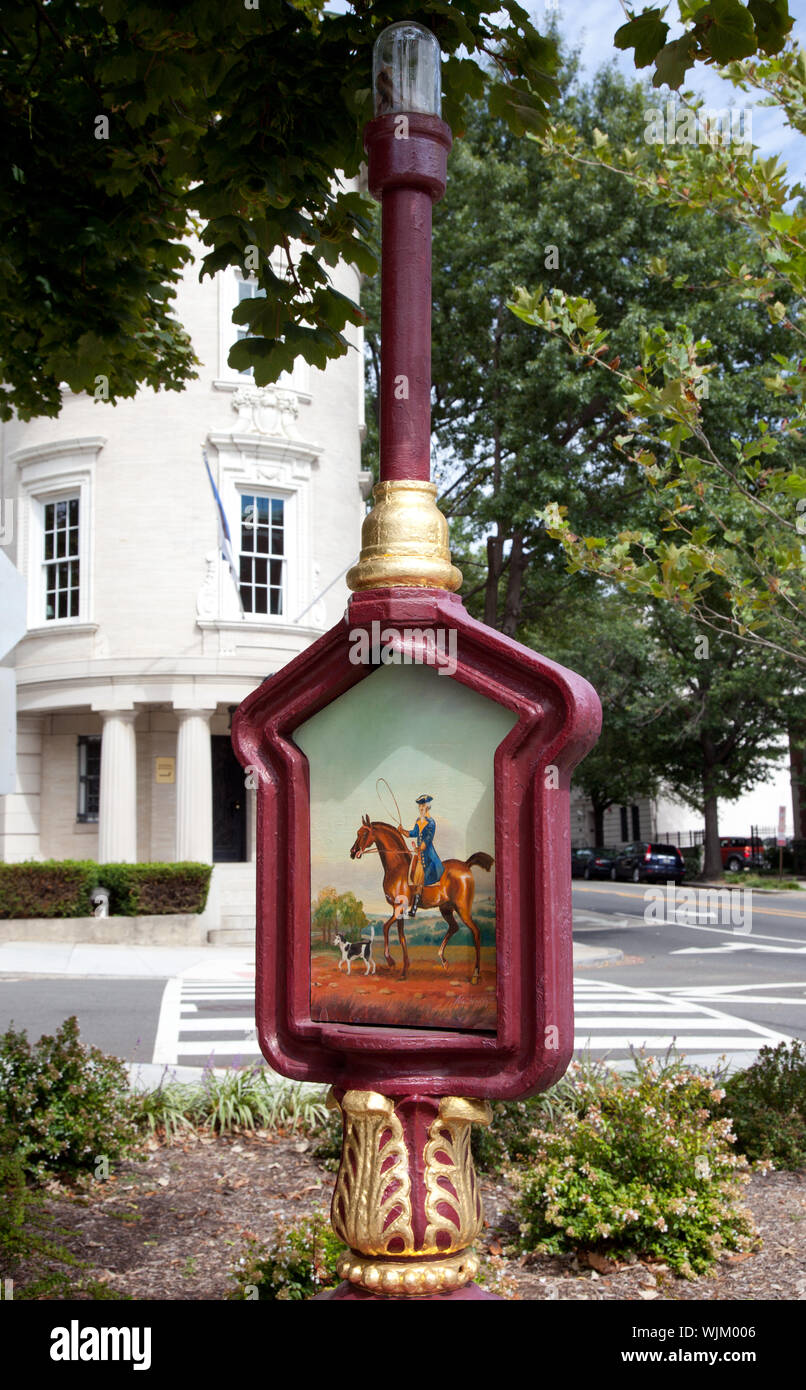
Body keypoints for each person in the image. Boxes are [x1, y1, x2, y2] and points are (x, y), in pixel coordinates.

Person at [400, 794, 444, 917]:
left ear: (428, 807)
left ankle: (414, 907)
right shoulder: (418, 821)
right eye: (419, 805)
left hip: (428, 856)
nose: (420, 807)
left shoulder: (431, 823)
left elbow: (428, 839)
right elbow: (413, 833)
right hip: (419, 854)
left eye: (423, 805)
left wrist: (420, 848)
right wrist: (402, 831)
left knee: (419, 875)